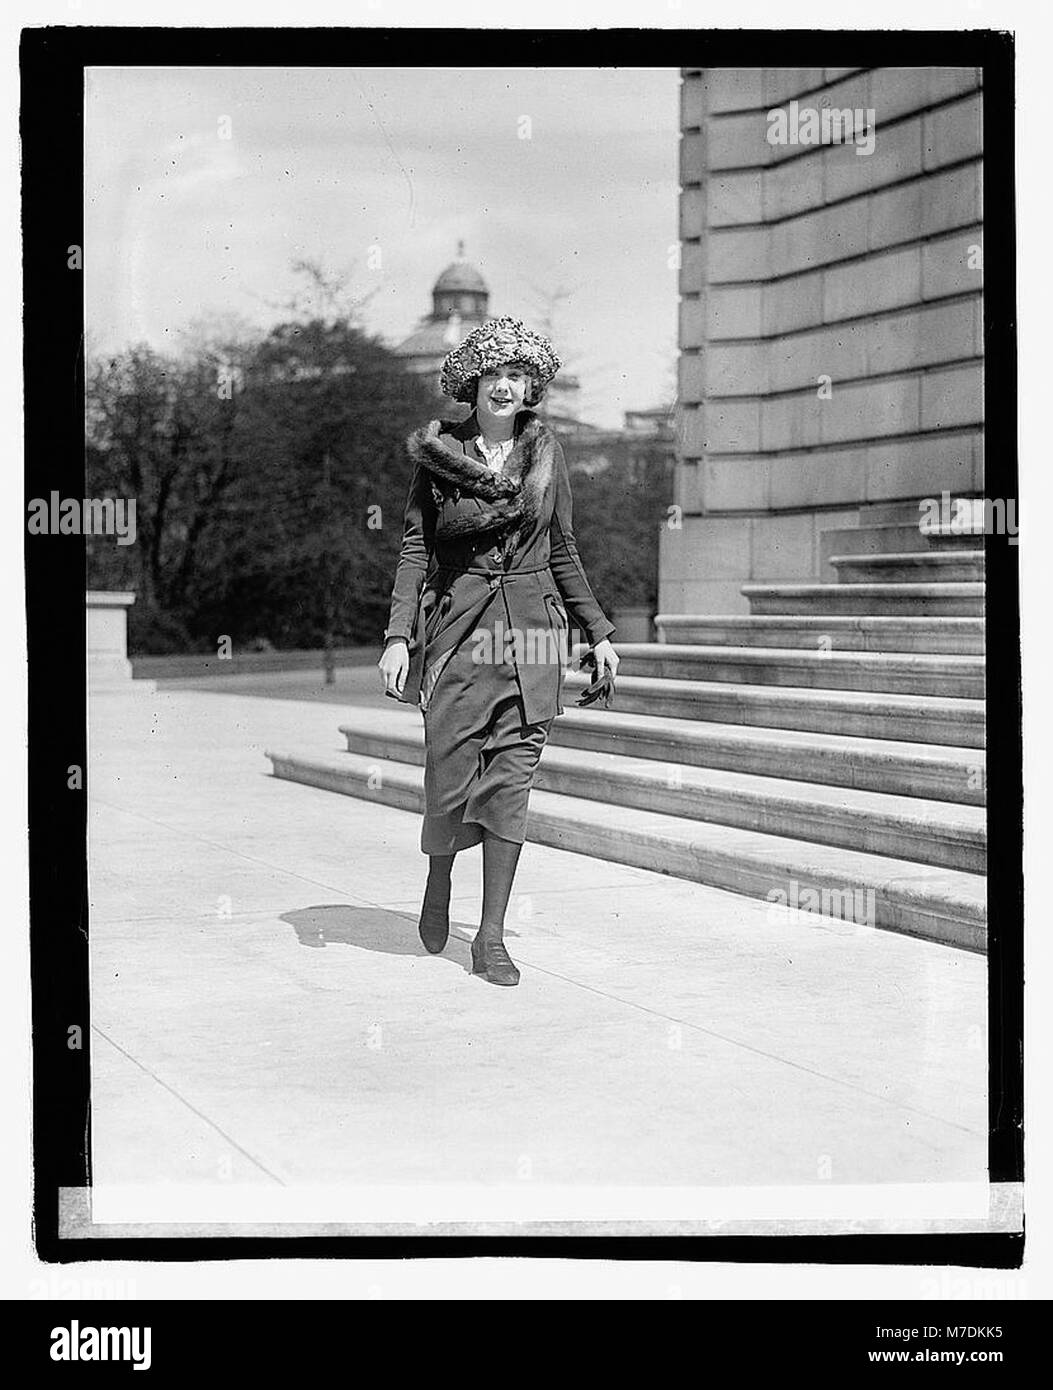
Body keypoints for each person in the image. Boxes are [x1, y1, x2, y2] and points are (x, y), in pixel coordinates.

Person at [378, 315, 618, 987]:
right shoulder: (436, 454)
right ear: (473, 382)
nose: (506, 387)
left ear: (530, 388)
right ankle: (437, 877)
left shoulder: (546, 452)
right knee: (447, 778)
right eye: (495, 374)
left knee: (511, 784)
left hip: (535, 632)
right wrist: (398, 636)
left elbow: (563, 548)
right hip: (459, 631)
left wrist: (597, 632)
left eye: (518, 376)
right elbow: (415, 550)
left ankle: (489, 938)